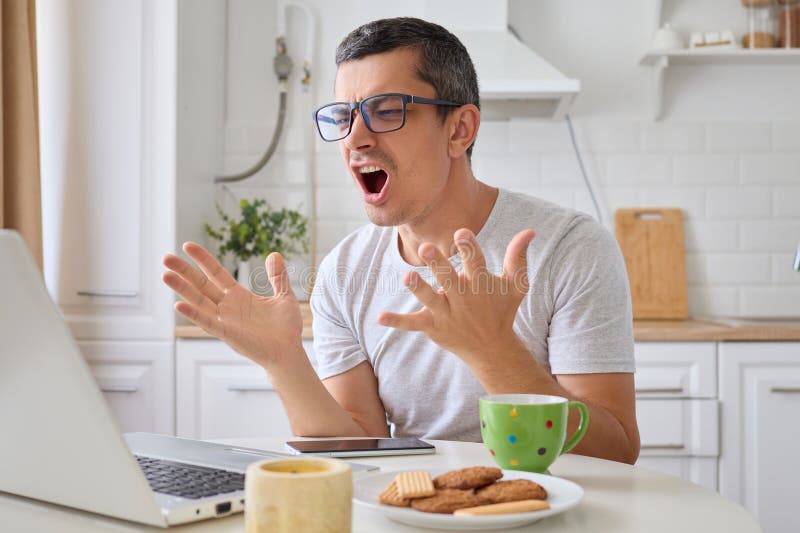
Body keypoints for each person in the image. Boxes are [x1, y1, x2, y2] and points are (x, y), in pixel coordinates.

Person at [163, 17, 640, 464]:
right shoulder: (345, 272)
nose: (355, 138)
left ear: (460, 129)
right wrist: (284, 362)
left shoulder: (570, 249)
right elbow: (356, 442)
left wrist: (495, 351)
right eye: (343, 117)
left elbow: (614, 451)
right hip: (414, 508)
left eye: (386, 111)